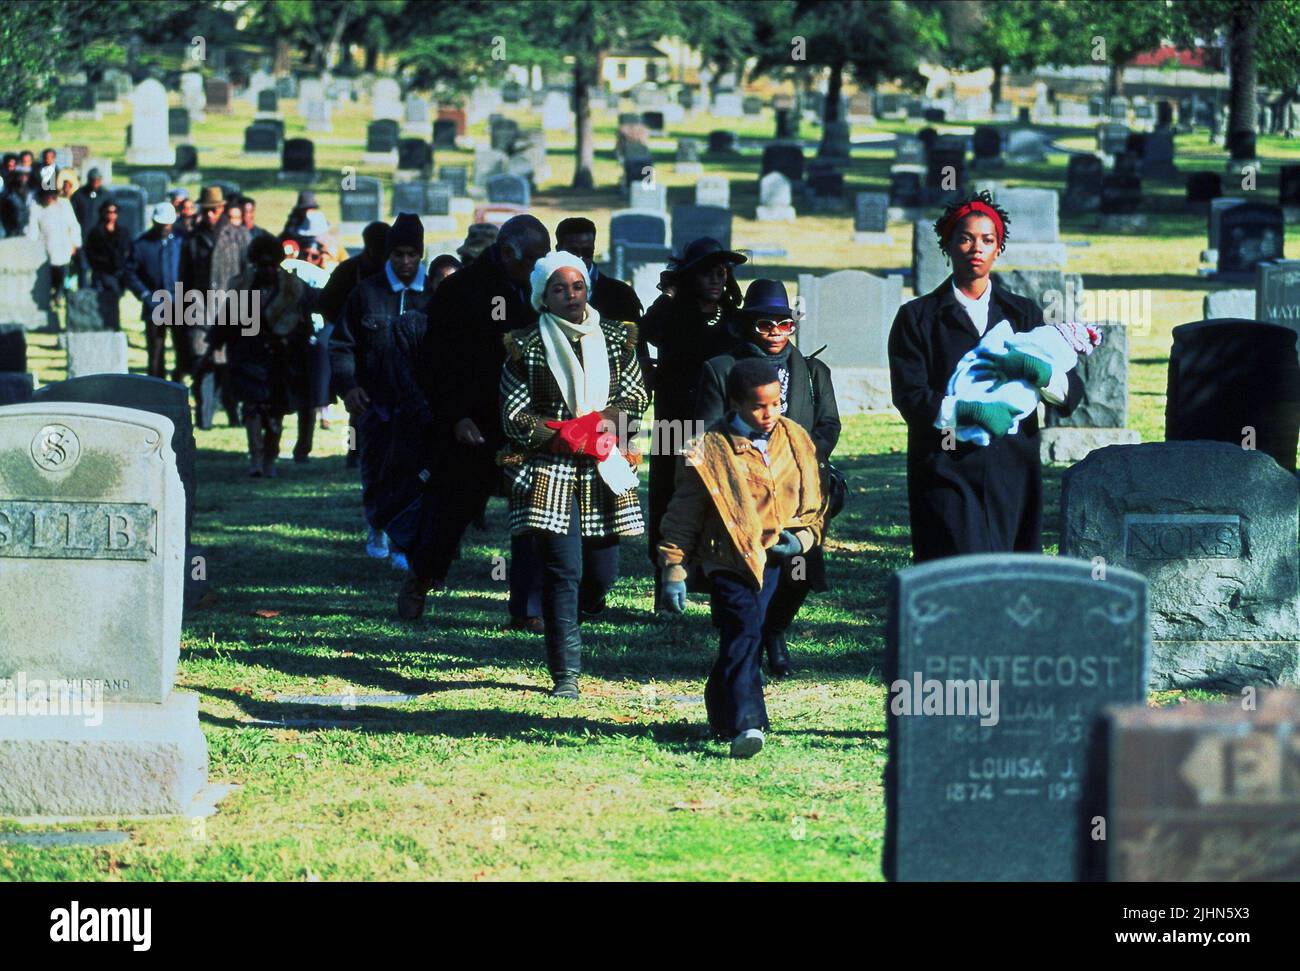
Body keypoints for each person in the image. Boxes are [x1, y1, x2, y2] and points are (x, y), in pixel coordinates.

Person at [887, 190, 1084, 562]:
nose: (976, 247)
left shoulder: (1022, 313)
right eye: (965, 237)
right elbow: (910, 396)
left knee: (1012, 576)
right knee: (959, 570)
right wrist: (968, 411)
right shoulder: (917, 318)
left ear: (998, 249)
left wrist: (1040, 372)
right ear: (947, 245)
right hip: (946, 464)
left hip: (1013, 468)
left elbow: (1072, 394)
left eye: (987, 240)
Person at [659, 357, 825, 758]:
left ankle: (720, 711)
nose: (769, 414)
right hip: (728, 559)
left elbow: (813, 500)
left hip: (773, 558)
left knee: (742, 637)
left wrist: (801, 540)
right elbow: (683, 513)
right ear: (734, 403)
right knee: (746, 632)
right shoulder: (708, 451)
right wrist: (673, 569)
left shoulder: (795, 438)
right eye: (758, 405)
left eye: (776, 403)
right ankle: (748, 723)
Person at [499, 252, 648, 697]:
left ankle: (577, 617)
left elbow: (636, 396)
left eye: (577, 286)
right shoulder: (524, 346)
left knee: (601, 572)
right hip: (550, 468)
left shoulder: (618, 339)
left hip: (603, 464)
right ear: (543, 297)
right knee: (562, 569)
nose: (570, 295)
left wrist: (599, 425)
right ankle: (566, 673)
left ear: (587, 290)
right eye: (559, 288)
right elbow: (514, 416)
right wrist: (563, 435)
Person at [695, 279, 841, 678]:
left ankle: (774, 630)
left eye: (784, 324)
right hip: (744, 489)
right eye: (765, 325)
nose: (776, 333)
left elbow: (829, 423)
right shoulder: (722, 369)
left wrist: (802, 460)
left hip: (798, 494)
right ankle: (747, 645)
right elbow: (707, 430)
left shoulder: (813, 372)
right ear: (748, 325)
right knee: (747, 568)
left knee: (798, 568)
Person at [411, 214, 551, 625]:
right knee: (452, 507)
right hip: (473, 420)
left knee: (533, 509)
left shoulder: (542, 287)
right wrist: (455, 416)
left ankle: (527, 607)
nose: (540, 266)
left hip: (526, 418)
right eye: (533, 259)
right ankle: (421, 580)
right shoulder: (462, 290)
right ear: (508, 253)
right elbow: (436, 364)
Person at [640, 236, 746, 603]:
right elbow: (646, 330)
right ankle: (666, 580)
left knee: (719, 494)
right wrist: (669, 292)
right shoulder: (672, 313)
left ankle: (712, 579)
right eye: (706, 274)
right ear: (689, 277)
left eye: (722, 273)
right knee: (669, 497)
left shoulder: (733, 319)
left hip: (720, 425)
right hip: (674, 422)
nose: (716, 280)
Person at [331, 213, 434, 571]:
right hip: (375, 402)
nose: (405, 262)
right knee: (374, 467)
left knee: (413, 472)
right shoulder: (366, 293)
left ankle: (404, 544)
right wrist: (349, 386)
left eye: (412, 254)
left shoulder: (433, 295)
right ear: (388, 254)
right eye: (398, 254)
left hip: (419, 406)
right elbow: (342, 344)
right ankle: (376, 526)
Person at [214, 234, 316, 478]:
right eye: (262, 264)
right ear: (255, 264)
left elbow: (306, 323)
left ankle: (271, 455)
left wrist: (288, 339)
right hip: (248, 354)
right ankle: (256, 458)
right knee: (251, 408)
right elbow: (226, 321)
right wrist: (216, 345)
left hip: (281, 358)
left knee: (275, 411)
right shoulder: (241, 286)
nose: (267, 269)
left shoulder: (294, 288)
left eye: (272, 264)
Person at [320, 220, 390, 471]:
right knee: (357, 404)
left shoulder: (392, 272)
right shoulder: (348, 271)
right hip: (354, 344)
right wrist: (345, 323)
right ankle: (354, 451)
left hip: (384, 344)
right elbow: (326, 303)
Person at [124, 202, 184, 379]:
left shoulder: (182, 241)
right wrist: (144, 294)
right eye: (161, 224)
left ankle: (178, 382)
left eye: (167, 224)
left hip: (180, 303)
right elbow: (130, 273)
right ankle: (157, 388)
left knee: (182, 348)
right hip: (155, 304)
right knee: (156, 351)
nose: (164, 227)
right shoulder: (141, 244)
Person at [554, 217, 642, 323]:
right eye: (573, 252)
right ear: (558, 250)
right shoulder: (542, 292)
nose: (580, 258)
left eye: (587, 252)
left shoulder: (621, 295)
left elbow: (635, 337)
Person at [83, 198, 131, 328]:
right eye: (108, 212)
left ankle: (113, 325)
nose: (111, 215)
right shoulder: (96, 232)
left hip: (118, 274)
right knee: (100, 301)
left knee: (114, 301)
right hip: (101, 272)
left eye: (114, 212)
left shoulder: (123, 232)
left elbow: (127, 251)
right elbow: (90, 253)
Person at [31, 188, 80, 307]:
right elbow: (33, 230)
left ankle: (60, 295)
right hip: (46, 248)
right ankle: (50, 297)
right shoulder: (37, 207)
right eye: (46, 195)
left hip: (64, 247)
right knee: (48, 277)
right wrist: (33, 247)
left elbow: (73, 225)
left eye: (51, 195)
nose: (49, 198)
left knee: (63, 275)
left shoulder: (64, 204)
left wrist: (75, 243)